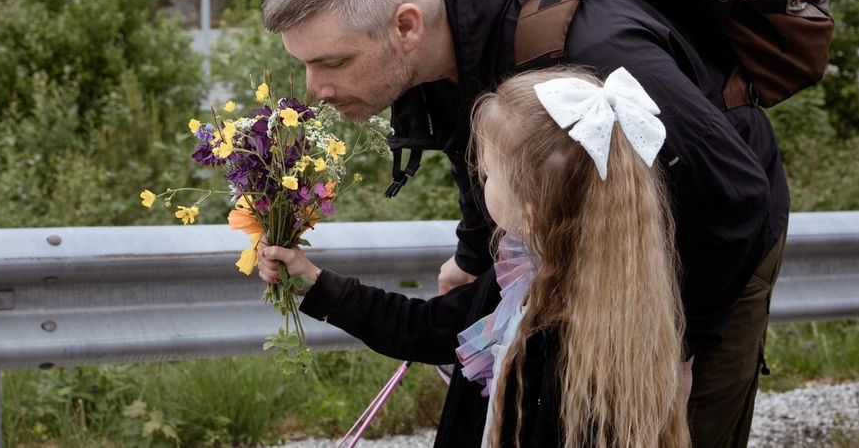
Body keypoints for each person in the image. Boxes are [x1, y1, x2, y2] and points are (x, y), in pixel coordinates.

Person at [263, 0, 789, 447]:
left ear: (406, 25)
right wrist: (474, 259)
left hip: (713, 238)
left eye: (332, 61)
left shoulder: (596, 53)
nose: (315, 89)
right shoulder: (441, 49)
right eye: (304, 64)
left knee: (668, 426)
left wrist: (677, 345)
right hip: (575, 251)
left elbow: (736, 197)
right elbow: (480, 158)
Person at [259, 68, 690, 447]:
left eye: (488, 172)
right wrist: (313, 281)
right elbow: (426, 328)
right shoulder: (525, 280)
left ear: (530, 212)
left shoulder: (557, 347)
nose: (480, 180)